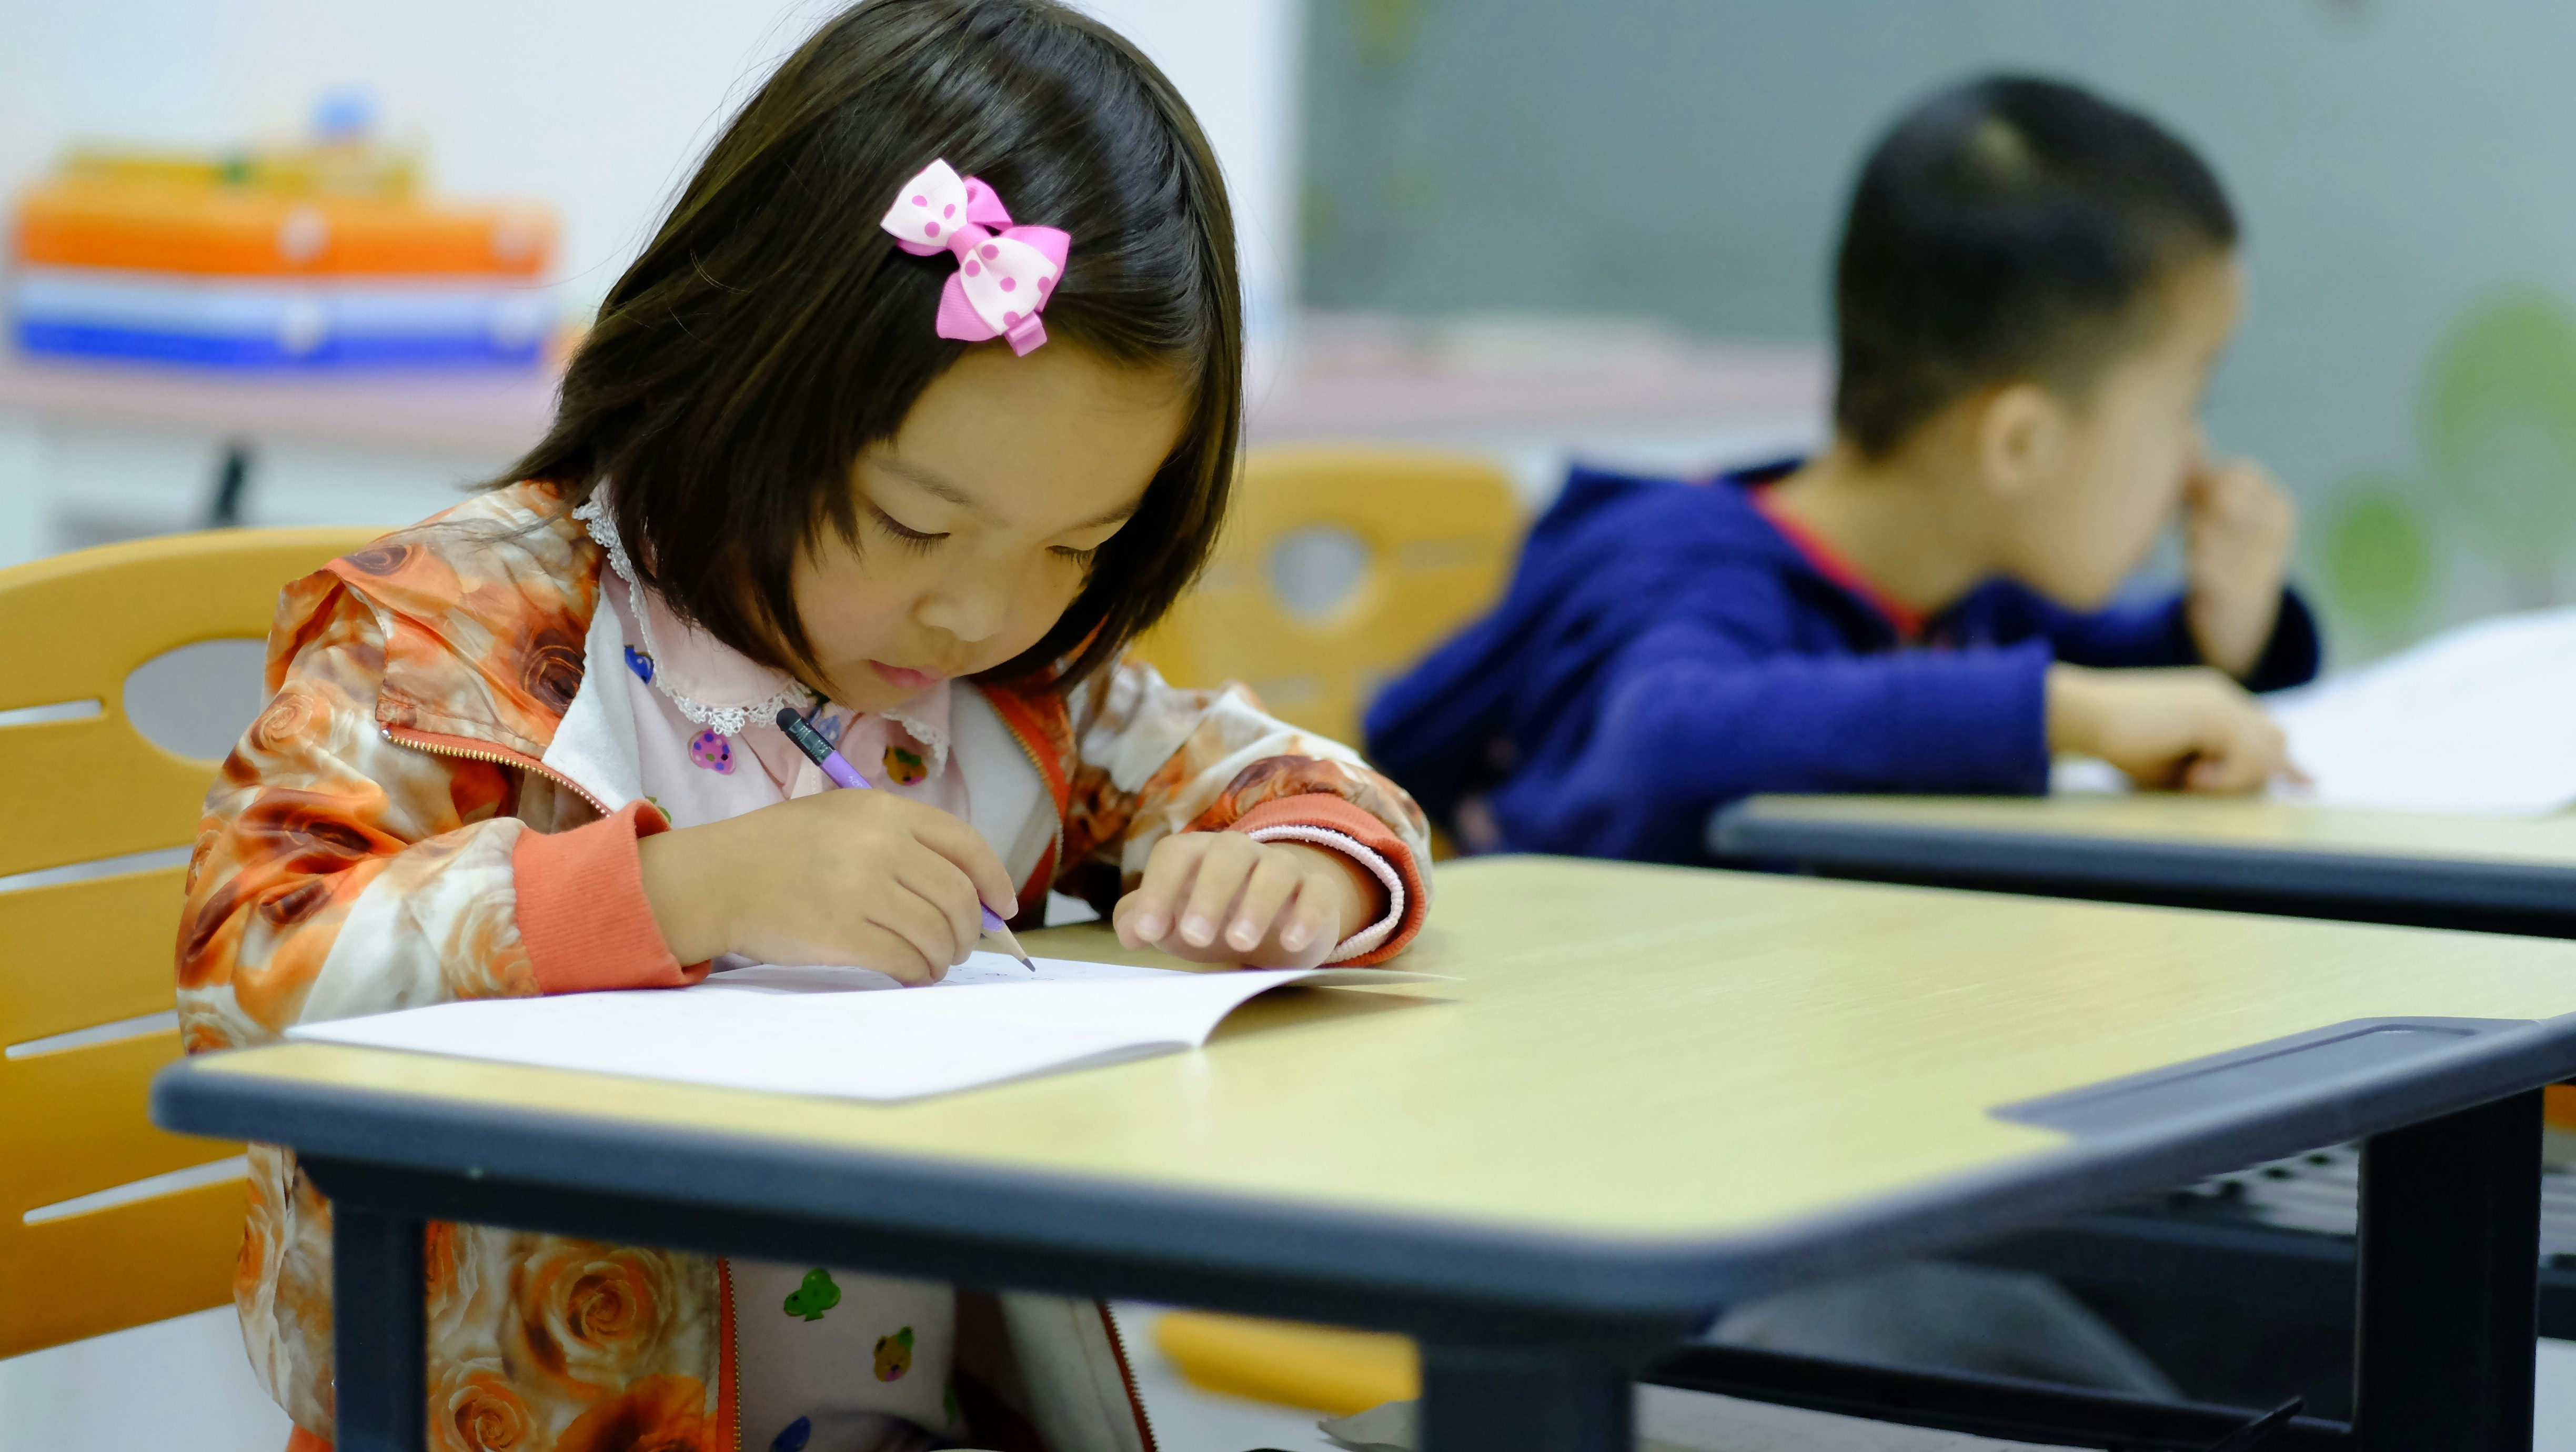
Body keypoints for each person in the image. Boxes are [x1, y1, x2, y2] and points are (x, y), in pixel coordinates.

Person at [176, 4, 1430, 1449]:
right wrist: (680, 891)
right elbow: (251, 957)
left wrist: (1302, 858)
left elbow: (1266, 771)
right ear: (743, 372)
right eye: (914, 521)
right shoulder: (465, 624)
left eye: (1075, 546)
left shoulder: (1009, 693)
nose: (979, 612)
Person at [1365, 75, 2320, 864]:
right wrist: (2061, 711)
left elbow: (2109, 679)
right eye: (2187, 405)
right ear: (2018, 444)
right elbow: (1672, 738)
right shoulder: (1686, 569)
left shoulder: (1959, 585)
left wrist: (2215, 636)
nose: (2196, 461)